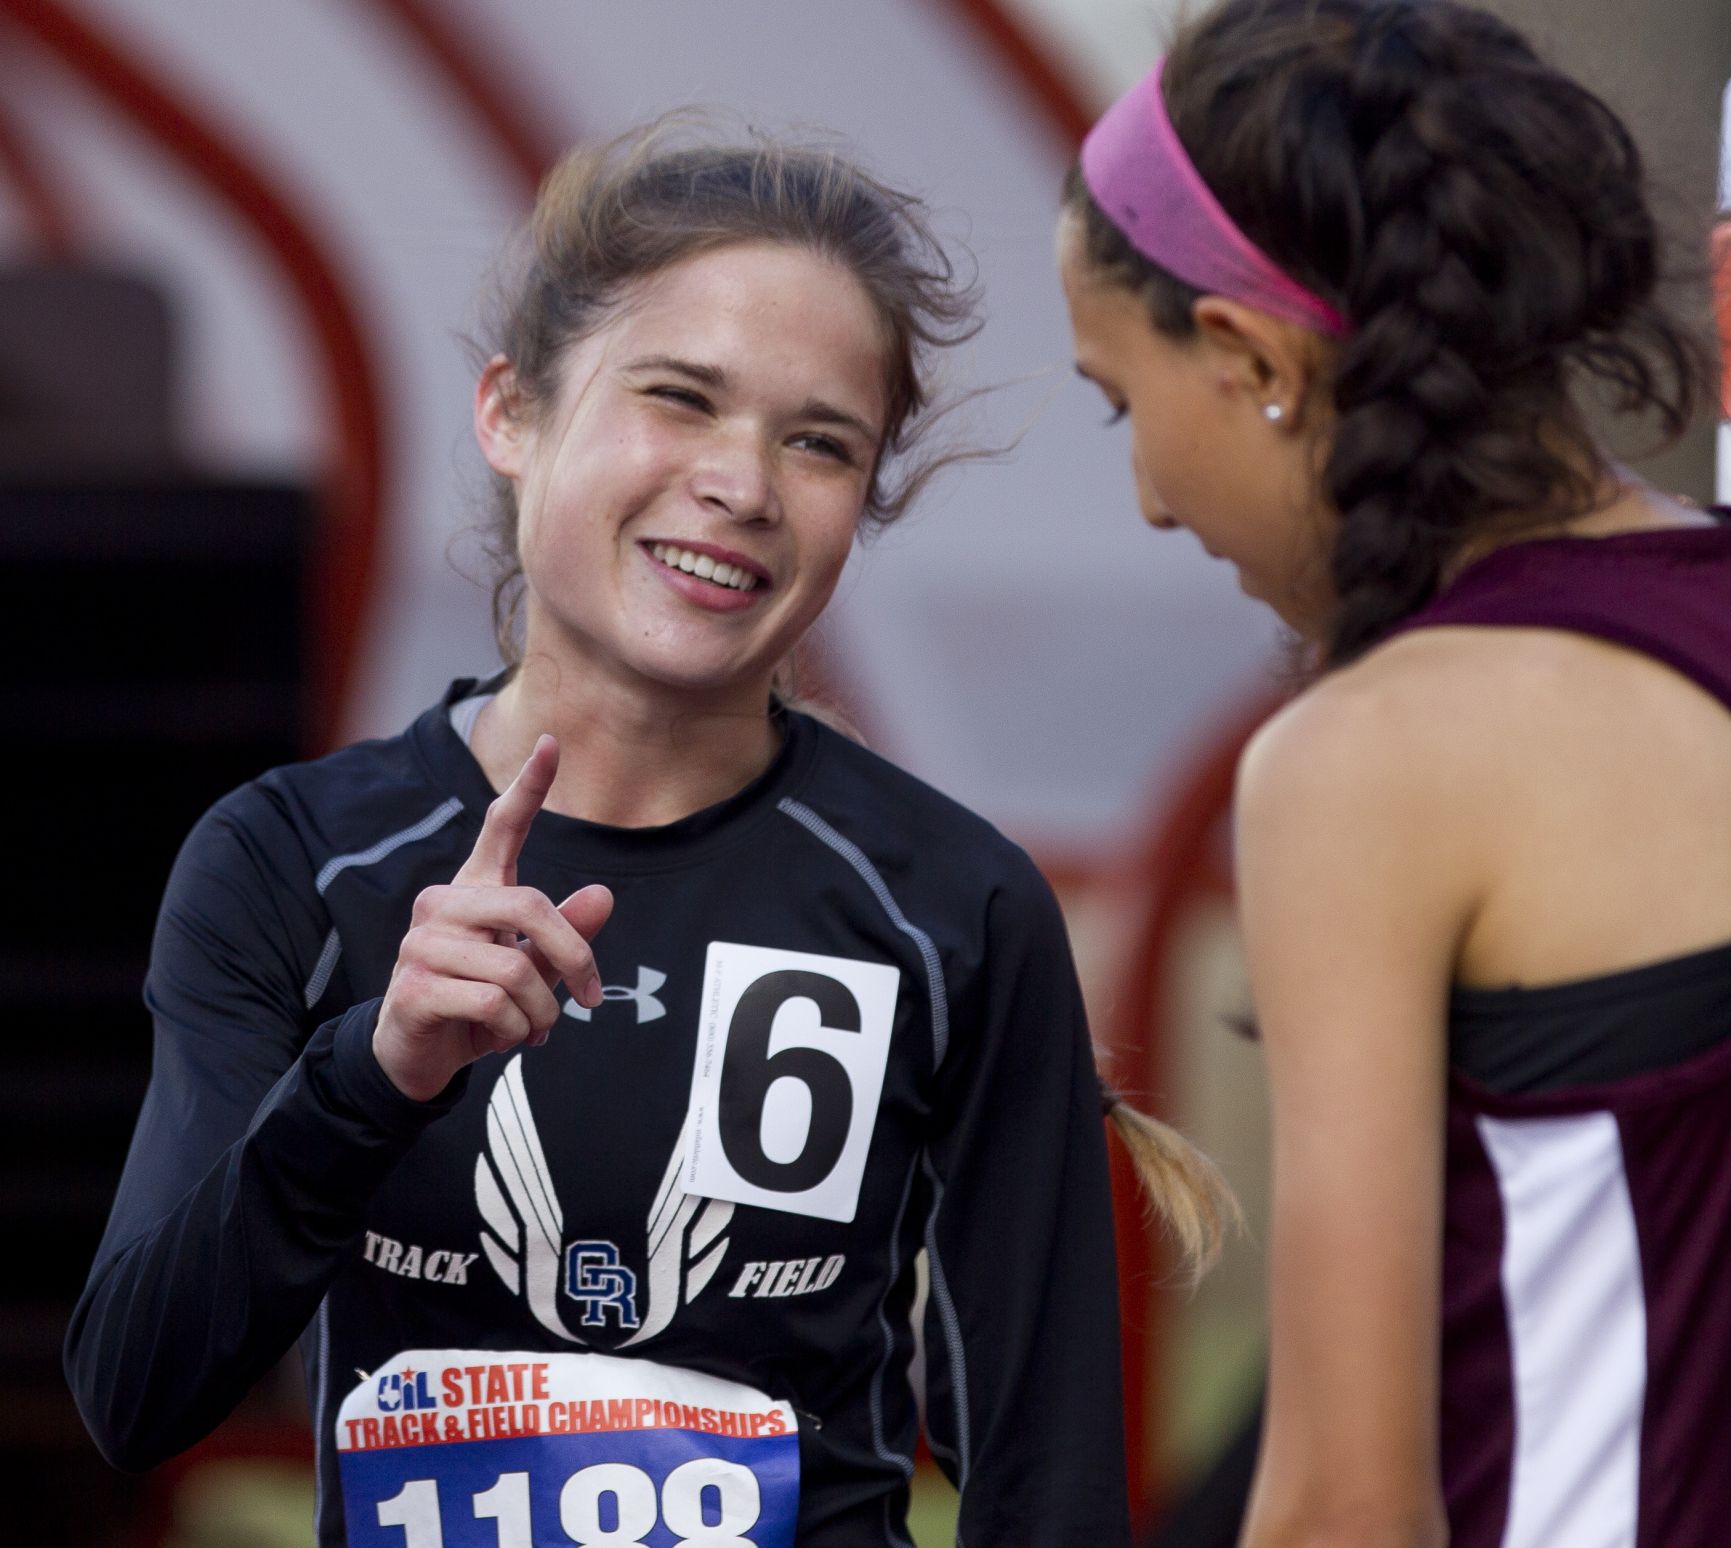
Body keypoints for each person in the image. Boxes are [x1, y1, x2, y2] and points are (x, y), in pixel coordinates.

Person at [67, 120, 1227, 1548]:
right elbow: (134, 1394)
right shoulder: (291, 862)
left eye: (818, 442)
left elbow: (1050, 1485)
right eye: (679, 398)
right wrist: (374, 1072)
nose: (742, 484)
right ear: (512, 413)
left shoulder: (950, 906)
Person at [1056, 2, 1731, 1544]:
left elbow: (1343, 1513)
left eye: (1121, 403)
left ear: (1249, 359)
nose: (1150, 498)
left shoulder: (1376, 757)